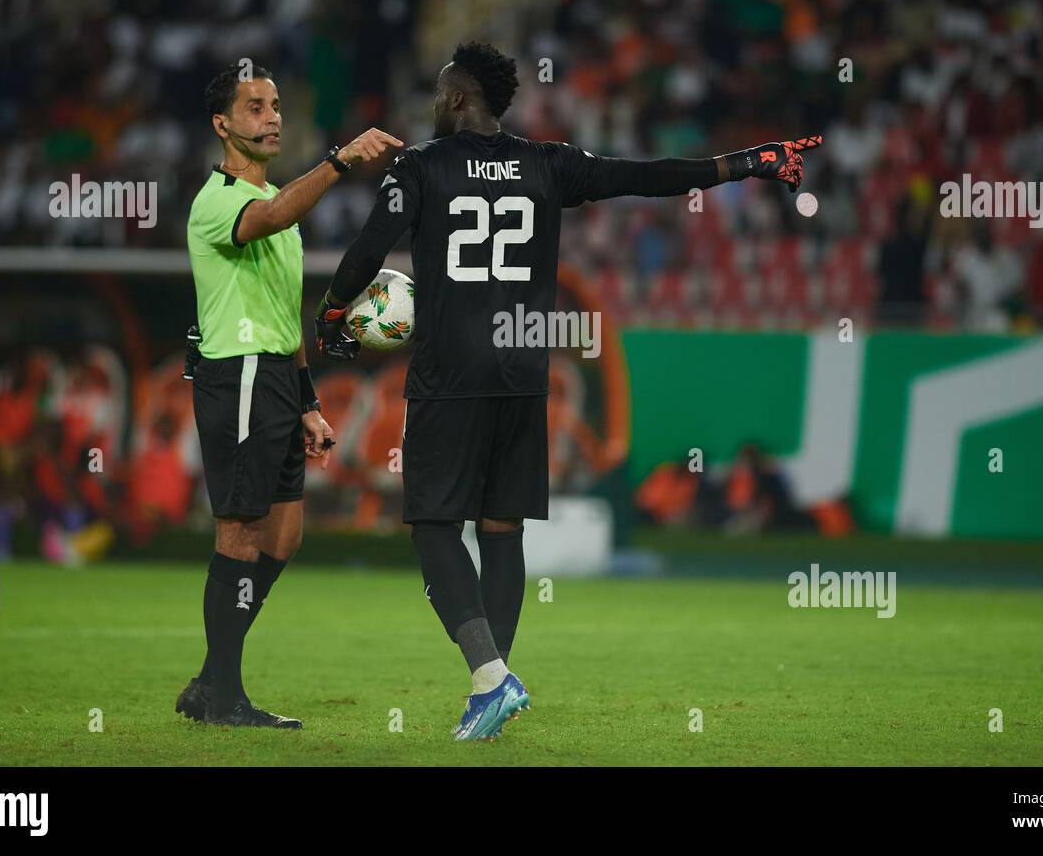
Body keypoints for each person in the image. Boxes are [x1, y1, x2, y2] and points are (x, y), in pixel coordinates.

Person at [314, 42, 821, 740]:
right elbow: (652, 177)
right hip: (524, 371)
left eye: (439, 93)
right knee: (501, 528)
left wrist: (333, 313)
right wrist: (750, 162)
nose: (434, 104)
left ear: (460, 99)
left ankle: (491, 678)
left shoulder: (420, 166)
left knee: (433, 526)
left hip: (451, 373)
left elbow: (370, 249)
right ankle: (492, 685)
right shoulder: (549, 163)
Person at [176, 61, 401, 728]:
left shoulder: (280, 204)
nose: (272, 117)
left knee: (286, 534)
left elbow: (284, 310)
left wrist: (307, 400)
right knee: (241, 532)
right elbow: (270, 214)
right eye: (254, 107)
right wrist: (339, 161)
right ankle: (223, 695)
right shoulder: (219, 201)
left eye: (275, 105)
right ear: (223, 124)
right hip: (237, 373)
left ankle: (213, 680)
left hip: (275, 376)